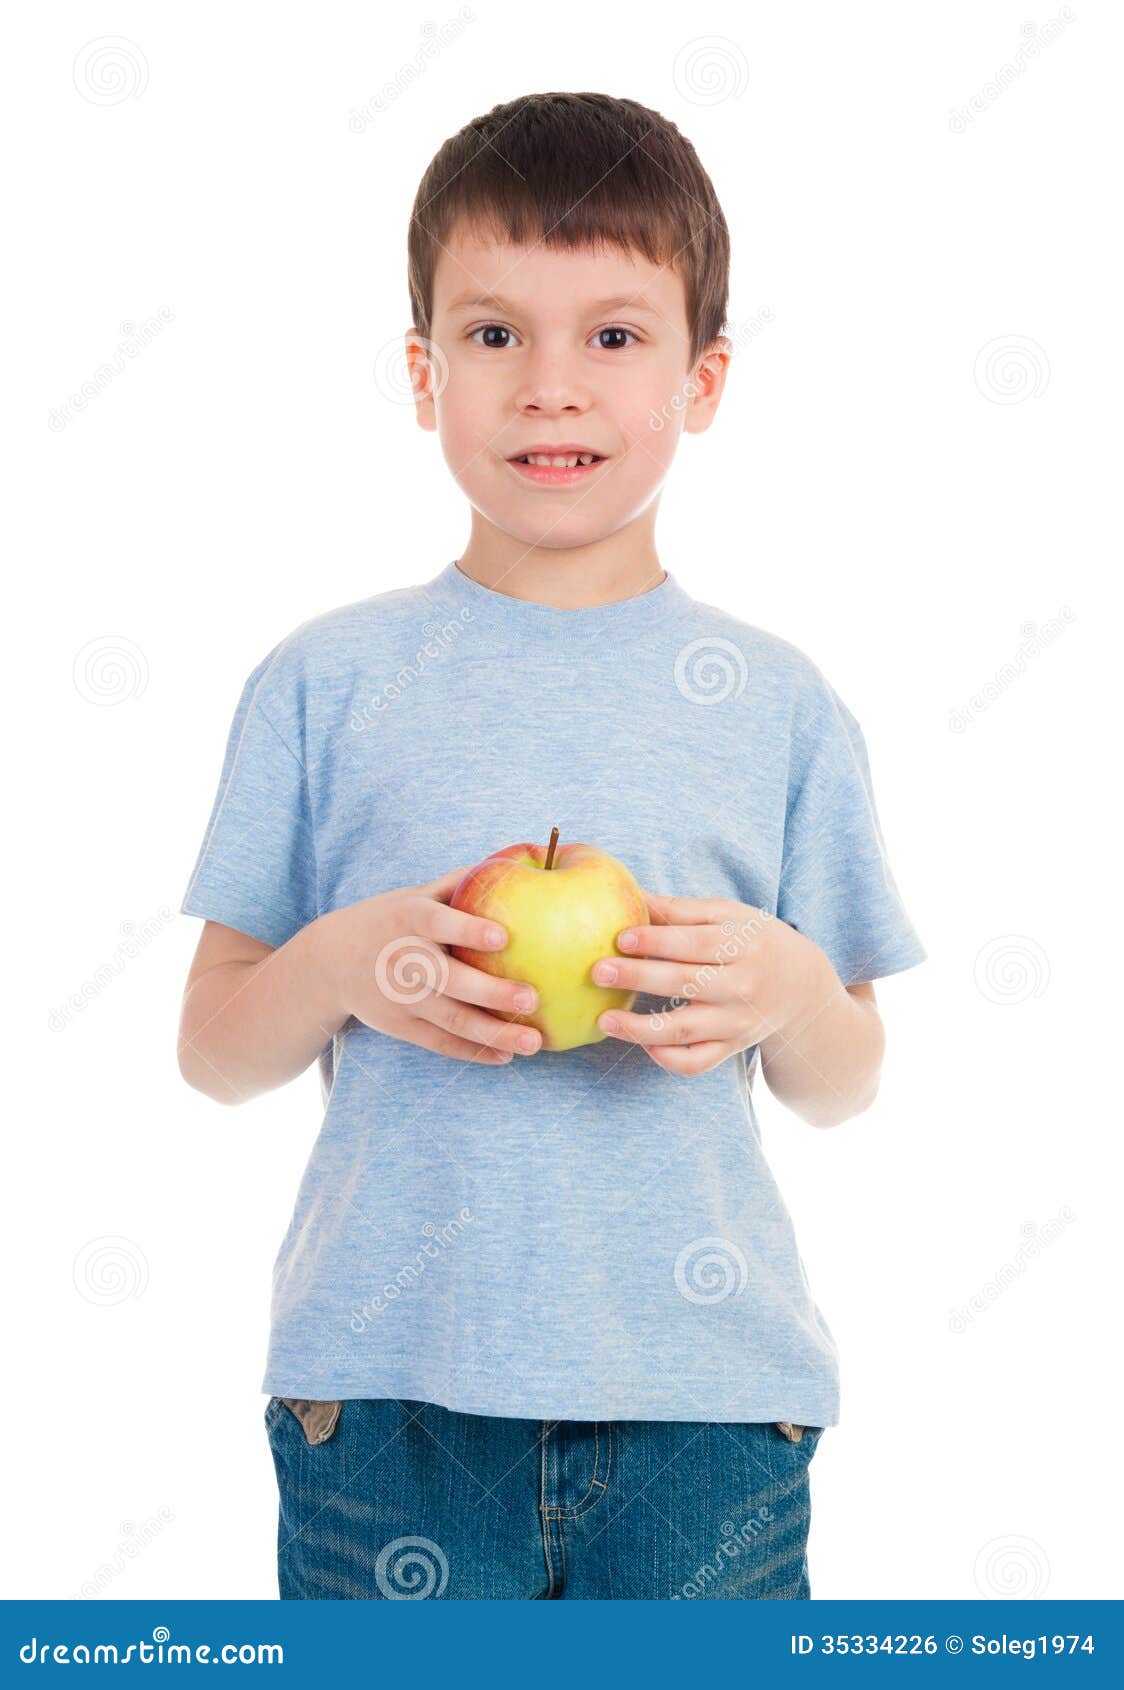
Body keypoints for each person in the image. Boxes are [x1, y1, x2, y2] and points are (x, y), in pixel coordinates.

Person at [177, 91, 926, 1601]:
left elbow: (846, 1078)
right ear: (421, 372)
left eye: (616, 336)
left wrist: (787, 990)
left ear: (705, 379)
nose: (550, 391)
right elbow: (215, 1048)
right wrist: (346, 960)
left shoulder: (778, 703)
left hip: (708, 1411)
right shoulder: (325, 682)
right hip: (386, 1401)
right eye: (496, 334)